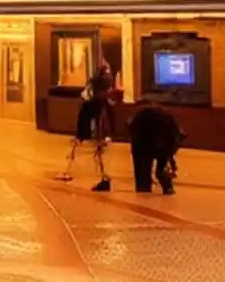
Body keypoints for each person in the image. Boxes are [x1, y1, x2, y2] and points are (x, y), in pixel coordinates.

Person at [57, 63, 117, 191]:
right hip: (99, 125)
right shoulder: (104, 101)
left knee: (86, 146)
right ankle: (103, 177)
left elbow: (85, 98)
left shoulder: (92, 96)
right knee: (98, 149)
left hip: (90, 122)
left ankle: (101, 177)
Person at [129, 103, 182, 195]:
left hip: (143, 142)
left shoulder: (161, 119)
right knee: (159, 169)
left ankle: (144, 188)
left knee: (143, 173)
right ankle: (166, 186)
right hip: (148, 141)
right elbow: (170, 148)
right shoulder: (167, 122)